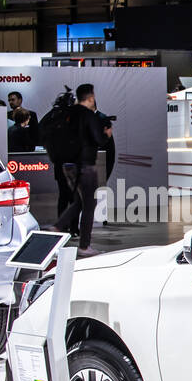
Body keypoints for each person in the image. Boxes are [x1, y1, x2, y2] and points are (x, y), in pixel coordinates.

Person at [54, 84, 110, 257]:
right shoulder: (88, 116)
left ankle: (58, 226)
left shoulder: (68, 114)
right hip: (85, 165)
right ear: (91, 97)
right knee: (89, 204)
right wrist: (106, 133)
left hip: (68, 165)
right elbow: (99, 140)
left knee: (81, 200)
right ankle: (84, 245)